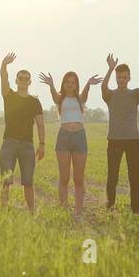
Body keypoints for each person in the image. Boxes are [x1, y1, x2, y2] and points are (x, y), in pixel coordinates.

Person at [39, 69, 102, 218]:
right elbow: (54, 95)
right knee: (64, 178)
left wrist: (88, 84)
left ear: (76, 85)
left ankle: (78, 212)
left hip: (79, 137)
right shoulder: (60, 99)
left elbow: (85, 94)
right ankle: (64, 209)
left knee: (79, 179)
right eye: (67, 81)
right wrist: (50, 84)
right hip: (63, 137)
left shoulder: (80, 99)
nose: (70, 84)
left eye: (73, 82)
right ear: (64, 83)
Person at [101, 52, 139, 213]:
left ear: (129, 78)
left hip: (132, 140)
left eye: (124, 77)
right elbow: (103, 87)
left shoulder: (134, 95)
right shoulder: (111, 96)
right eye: (119, 77)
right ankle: (110, 206)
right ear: (116, 78)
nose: (121, 80)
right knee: (112, 176)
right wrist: (110, 69)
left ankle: (135, 208)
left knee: (134, 177)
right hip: (114, 140)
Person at [0, 53, 45, 212]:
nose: (23, 80)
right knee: (6, 181)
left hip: (27, 145)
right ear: (16, 80)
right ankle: (3, 212)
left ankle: (32, 212)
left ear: (30, 82)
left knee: (28, 182)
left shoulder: (35, 101)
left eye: (26, 78)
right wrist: (4, 65)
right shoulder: (9, 95)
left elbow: (40, 124)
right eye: (21, 78)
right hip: (9, 143)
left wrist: (42, 144)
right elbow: (3, 79)